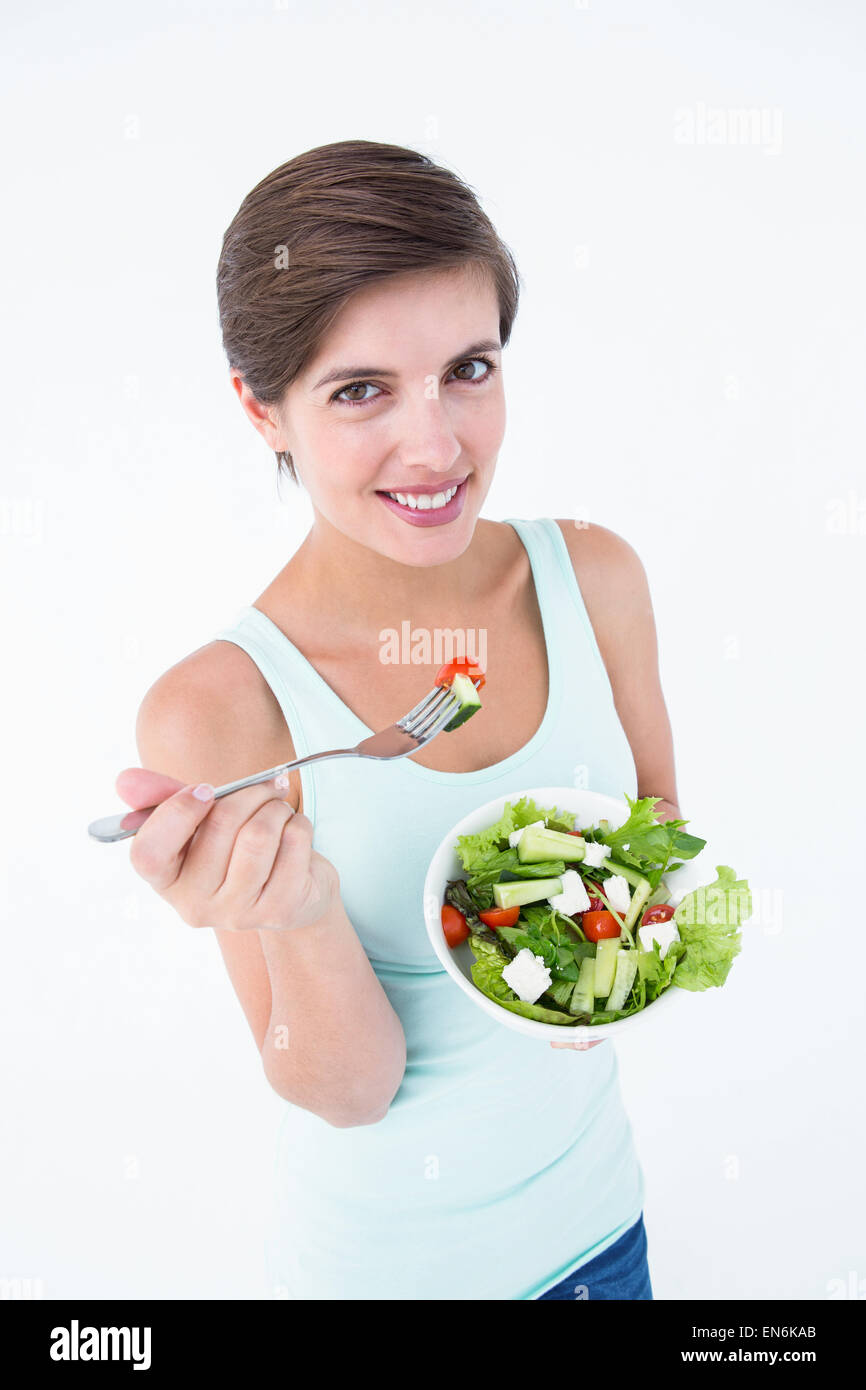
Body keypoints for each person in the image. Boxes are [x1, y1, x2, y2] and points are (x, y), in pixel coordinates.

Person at [117, 139, 681, 1301]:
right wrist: (301, 905)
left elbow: (656, 833)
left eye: (467, 368)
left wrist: (612, 957)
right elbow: (348, 1088)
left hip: (604, 1233)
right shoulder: (221, 709)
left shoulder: (594, 576)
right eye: (360, 390)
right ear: (260, 410)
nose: (435, 448)